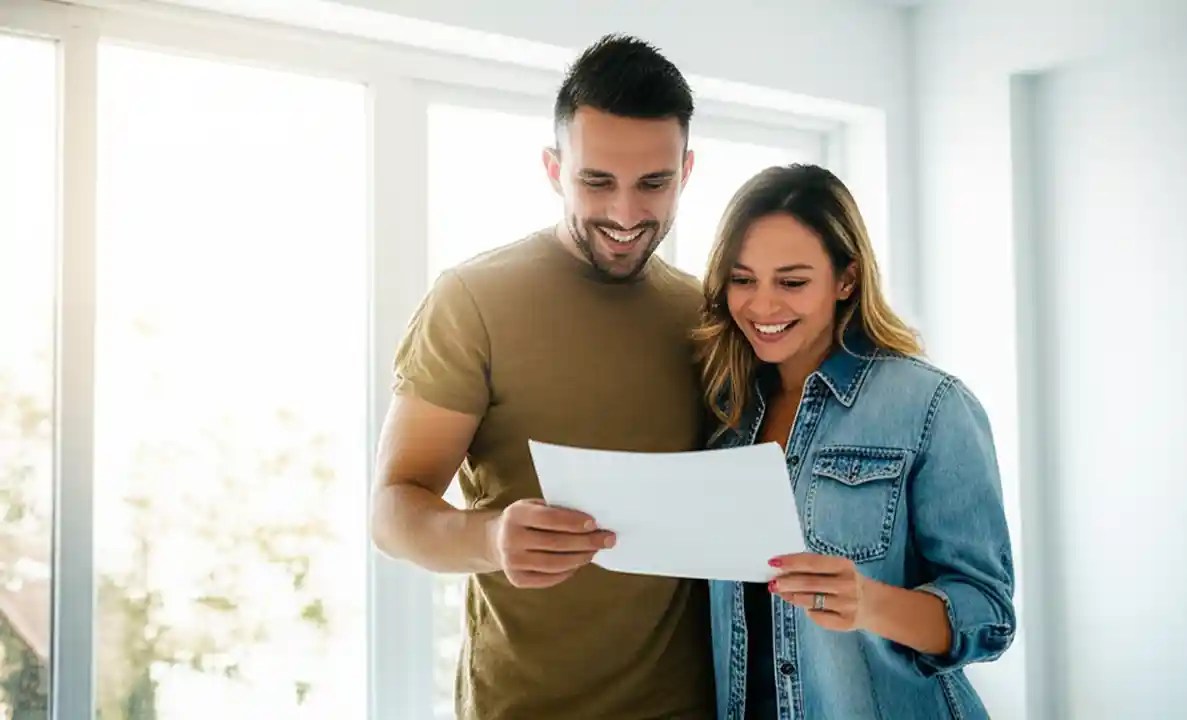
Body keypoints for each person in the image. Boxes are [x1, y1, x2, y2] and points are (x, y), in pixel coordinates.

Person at [369, 34, 715, 720]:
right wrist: (491, 538)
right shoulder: (474, 301)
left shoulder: (707, 313)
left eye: (654, 183)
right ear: (554, 168)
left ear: (687, 171)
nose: (624, 214)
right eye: (597, 181)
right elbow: (392, 510)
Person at [694, 164, 1016, 719]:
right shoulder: (726, 419)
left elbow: (988, 615)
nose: (762, 306)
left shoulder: (930, 405)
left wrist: (870, 602)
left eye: (792, 282)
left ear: (846, 279)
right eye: (743, 279)